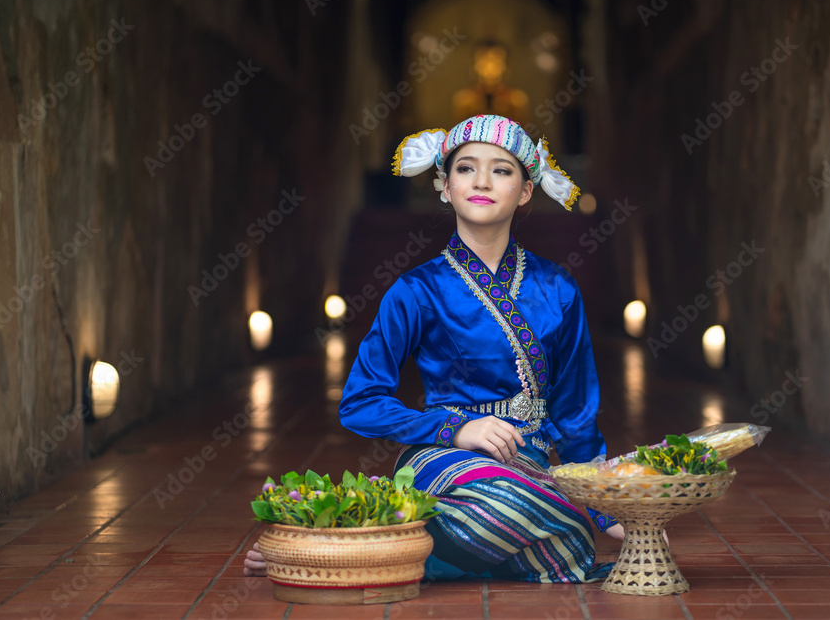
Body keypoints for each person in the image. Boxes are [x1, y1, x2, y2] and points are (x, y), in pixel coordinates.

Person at [244, 114, 623, 582]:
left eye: (501, 170)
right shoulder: (415, 290)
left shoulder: (558, 288)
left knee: (560, 521)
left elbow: (575, 414)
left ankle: (357, 545)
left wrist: (608, 510)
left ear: (526, 190)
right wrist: (456, 428)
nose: (481, 181)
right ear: (444, 186)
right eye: (465, 168)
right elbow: (360, 403)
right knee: (540, 513)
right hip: (441, 457)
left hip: (526, 462)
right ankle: (361, 543)